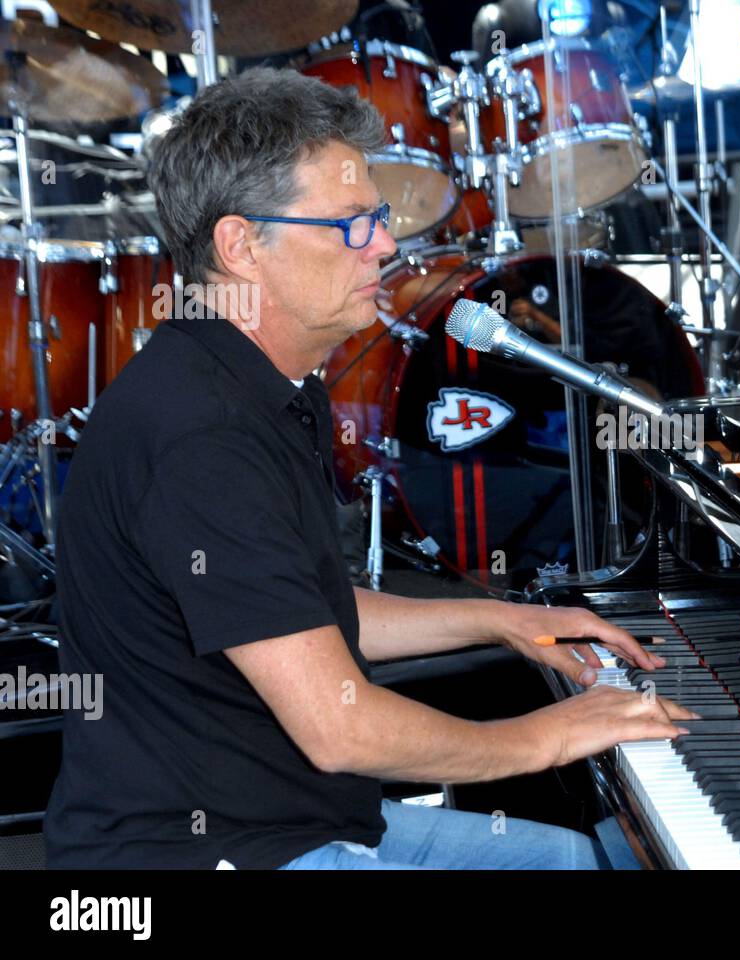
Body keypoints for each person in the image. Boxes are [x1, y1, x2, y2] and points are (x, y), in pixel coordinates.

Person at [43, 67, 693, 870]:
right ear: (241, 246)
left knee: (596, 863)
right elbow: (339, 726)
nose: (386, 245)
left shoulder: (264, 384)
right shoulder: (198, 433)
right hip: (212, 855)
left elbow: (295, 612)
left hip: (303, 821)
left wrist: (500, 620)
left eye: (378, 217)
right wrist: (551, 735)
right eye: (352, 224)